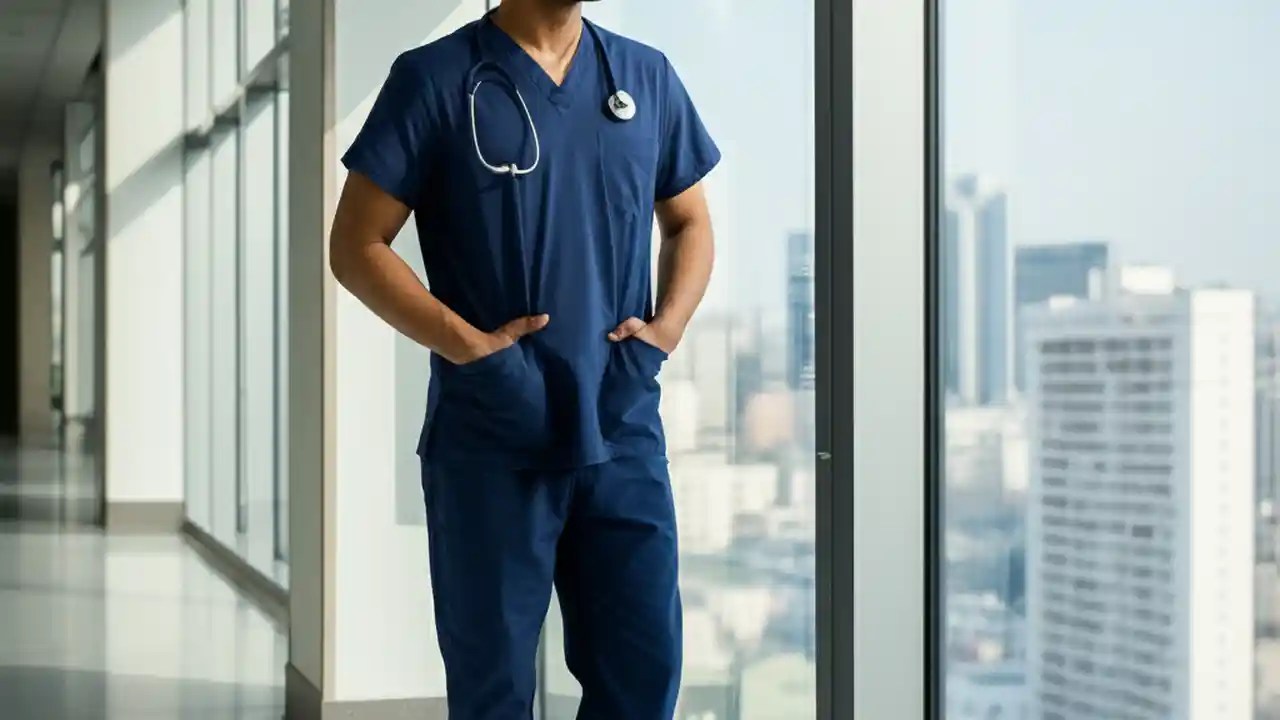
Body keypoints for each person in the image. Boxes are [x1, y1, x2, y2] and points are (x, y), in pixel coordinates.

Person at [329, 0, 719, 716]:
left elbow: (689, 220)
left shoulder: (644, 76)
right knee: (494, 691)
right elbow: (355, 245)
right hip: (494, 430)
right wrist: (470, 349)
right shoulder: (435, 78)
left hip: (620, 425)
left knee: (643, 678)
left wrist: (664, 331)